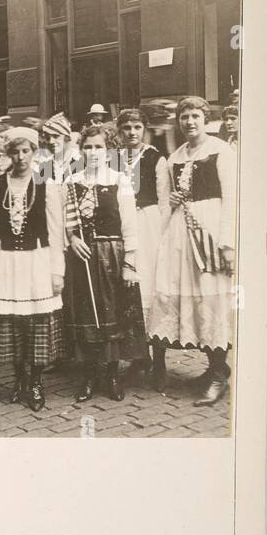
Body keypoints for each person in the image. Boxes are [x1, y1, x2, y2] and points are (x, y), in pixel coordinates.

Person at [148, 96, 237, 406]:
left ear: (205, 118)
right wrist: (172, 202)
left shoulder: (221, 151)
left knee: (211, 296)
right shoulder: (174, 158)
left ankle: (217, 375)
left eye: (195, 116)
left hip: (210, 232)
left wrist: (228, 244)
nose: (189, 122)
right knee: (176, 293)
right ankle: (209, 367)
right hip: (179, 235)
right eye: (184, 117)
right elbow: (165, 201)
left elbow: (232, 200)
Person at [0, 127, 67, 410]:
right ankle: (19, 379)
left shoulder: (46, 182)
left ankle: (37, 382)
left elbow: (56, 230)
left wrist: (58, 271)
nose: (20, 157)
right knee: (13, 324)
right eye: (15, 151)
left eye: (26, 151)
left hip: (38, 261)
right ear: (8, 154)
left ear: (34, 152)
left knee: (37, 324)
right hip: (6, 261)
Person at [62, 124, 146, 402]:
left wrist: (129, 263)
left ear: (109, 150)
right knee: (86, 314)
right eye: (88, 147)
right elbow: (65, 223)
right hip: (83, 257)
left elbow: (130, 226)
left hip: (111, 255)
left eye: (98, 147)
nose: (93, 152)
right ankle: (88, 375)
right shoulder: (71, 182)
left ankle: (111, 374)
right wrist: (72, 239)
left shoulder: (119, 180)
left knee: (111, 314)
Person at [114, 108, 168, 384]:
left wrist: (163, 235)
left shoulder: (155, 158)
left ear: (144, 129)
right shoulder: (113, 159)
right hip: (123, 227)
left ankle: (159, 361)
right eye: (126, 128)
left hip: (148, 225)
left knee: (150, 290)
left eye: (137, 127)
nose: (132, 133)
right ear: (119, 132)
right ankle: (139, 357)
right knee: (129, 293)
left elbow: (163, 200)